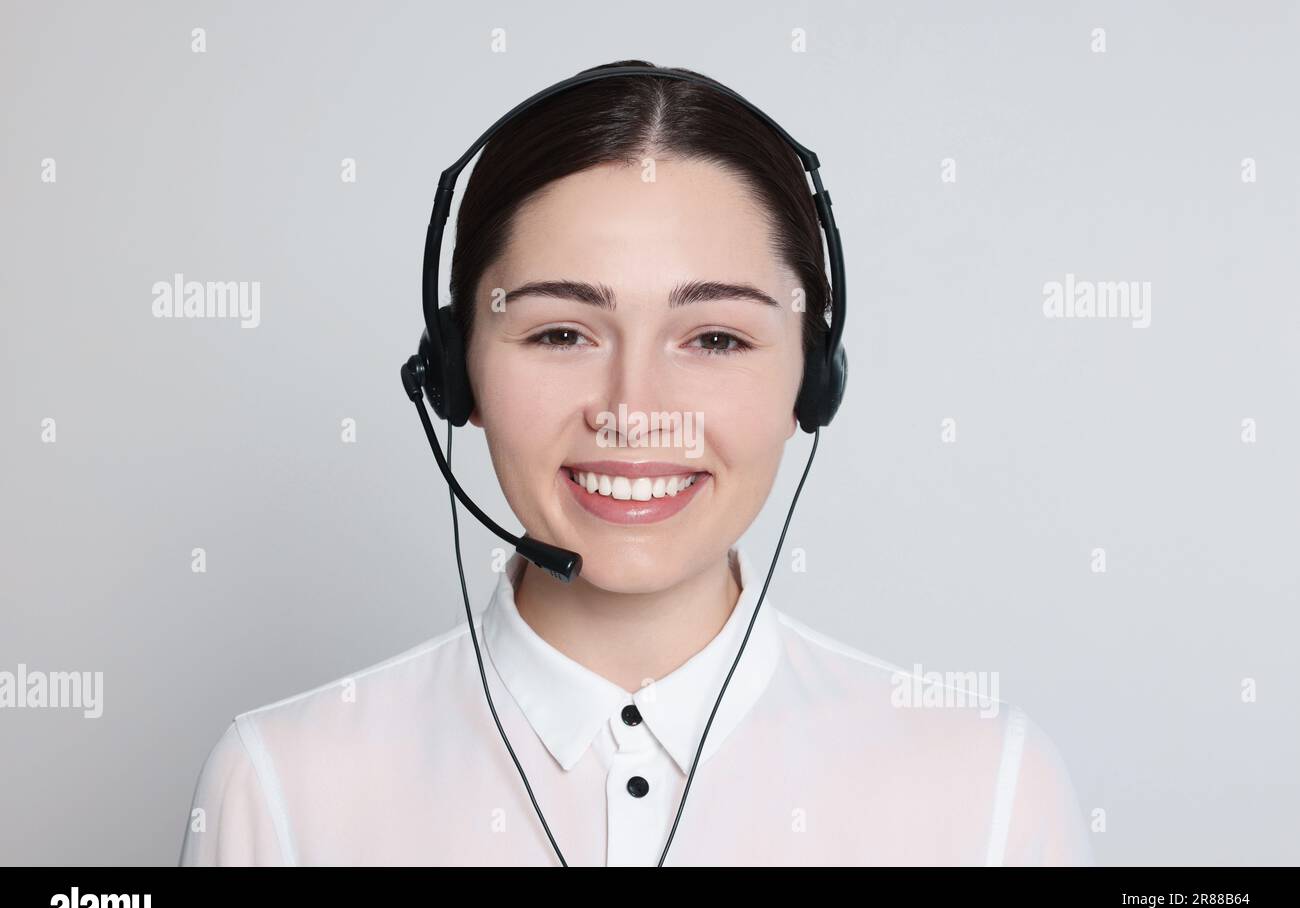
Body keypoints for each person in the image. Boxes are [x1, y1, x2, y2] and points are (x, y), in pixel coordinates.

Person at [178, 60, 1094, 867]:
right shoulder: (281, 786)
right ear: (457, 373)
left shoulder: (987, 790)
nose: (634, 413)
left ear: (813, 379)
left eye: (716, 337)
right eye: (563, 331)